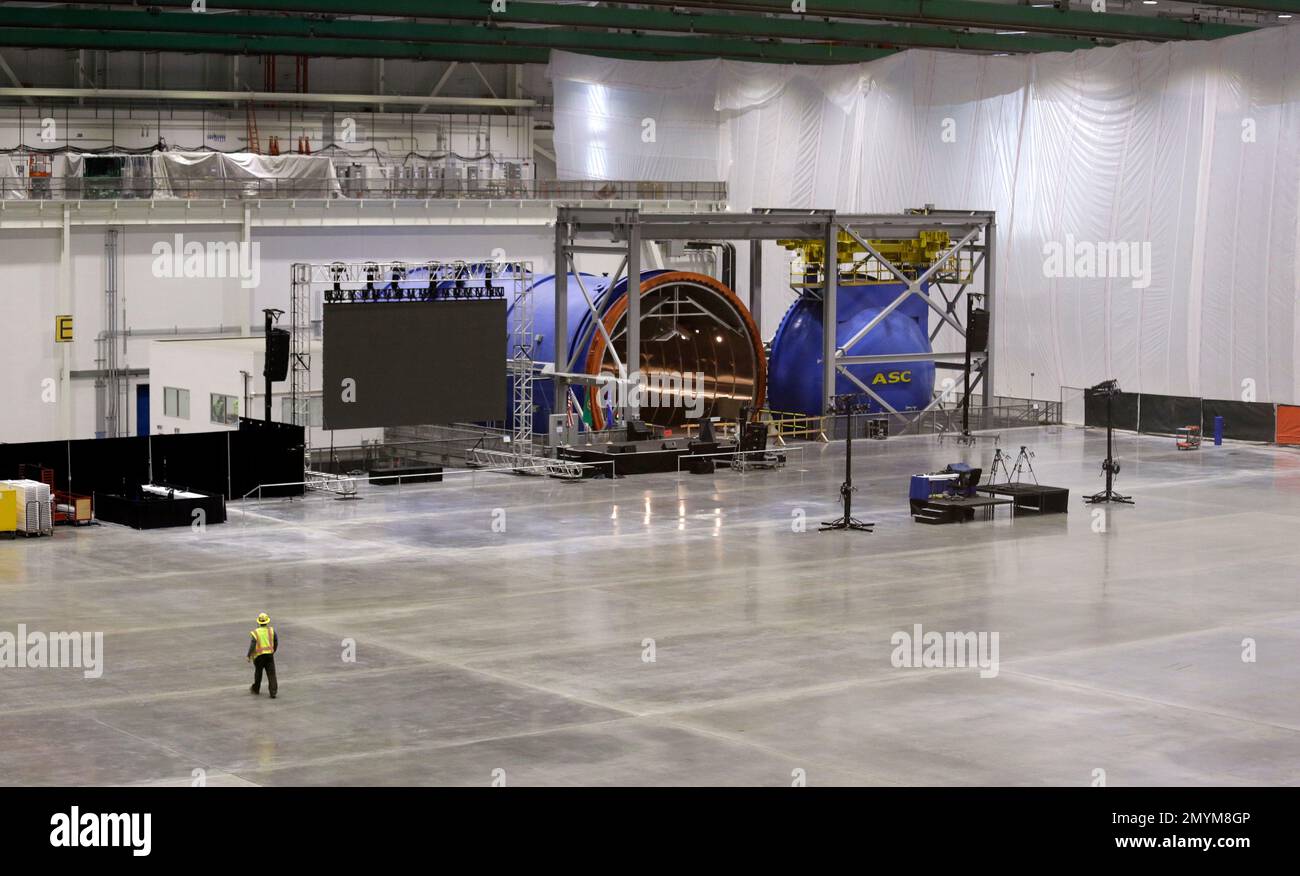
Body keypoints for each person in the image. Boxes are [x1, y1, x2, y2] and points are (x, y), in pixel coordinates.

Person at [247, 612, 279, 699]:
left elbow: (252, 645)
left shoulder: (256, 632)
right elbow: (276, 641)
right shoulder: (271, 631)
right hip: (269, 655)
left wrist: (248, 655)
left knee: (258, 673)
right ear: (267, 622)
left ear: (259, 622)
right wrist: (273, 650)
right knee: (271, 674)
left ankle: (256, 689)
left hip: (259, 657)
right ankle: (273, 692)